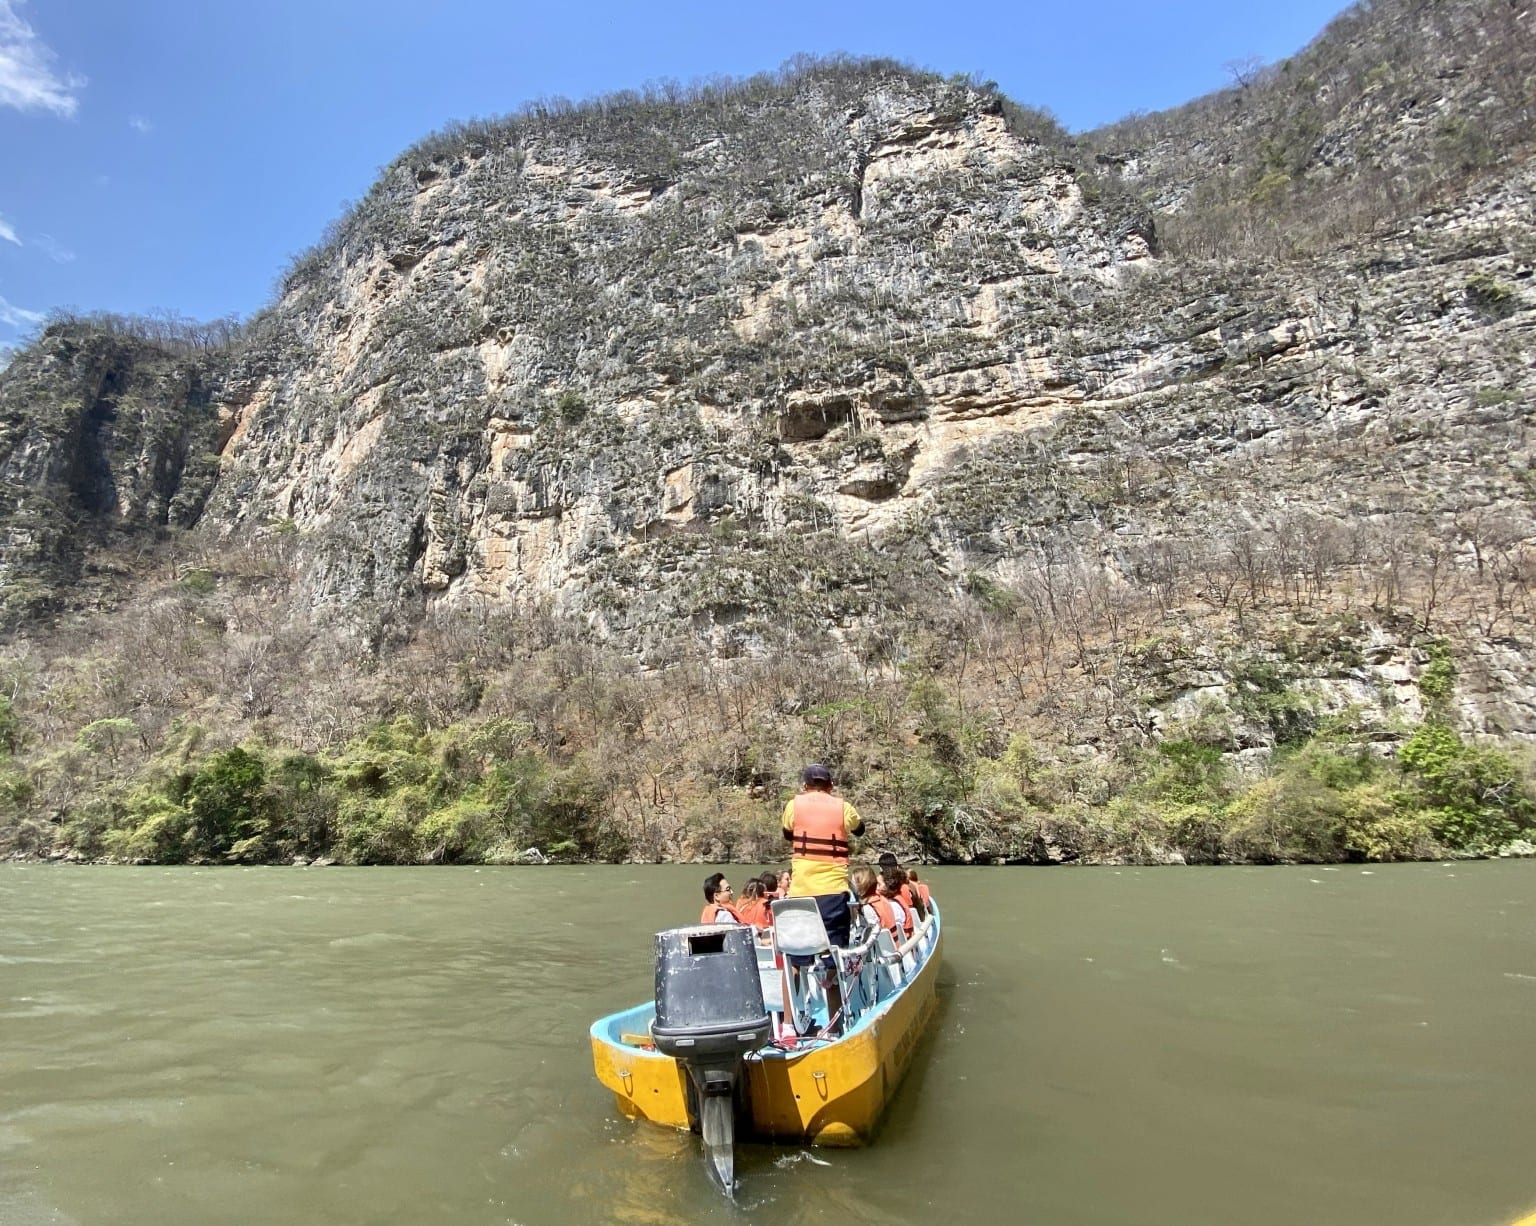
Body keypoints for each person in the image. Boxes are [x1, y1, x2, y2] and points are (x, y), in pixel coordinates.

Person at [781, 764, 863, 946]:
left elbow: (788, 833)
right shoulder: (844, 808)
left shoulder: (793, 806)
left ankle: (795, 972)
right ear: (831, 785)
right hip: (833, 890)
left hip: (800, 891)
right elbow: (859, 830)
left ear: (804, 786)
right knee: (835, 948)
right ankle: (831, 975)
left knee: (798, 948)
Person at [850, 865, 900, 941]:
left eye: (852, 883)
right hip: (893, 943)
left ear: (861, 885)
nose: (850, 886)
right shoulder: (881, 898)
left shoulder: (868, 908)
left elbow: (871, 936)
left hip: (883, 948)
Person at [878, 865, 913, 937]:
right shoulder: (890, 901)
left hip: (896, 944)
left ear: (888, 886)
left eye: (878, 884)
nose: (875, 887)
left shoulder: (894, 906)